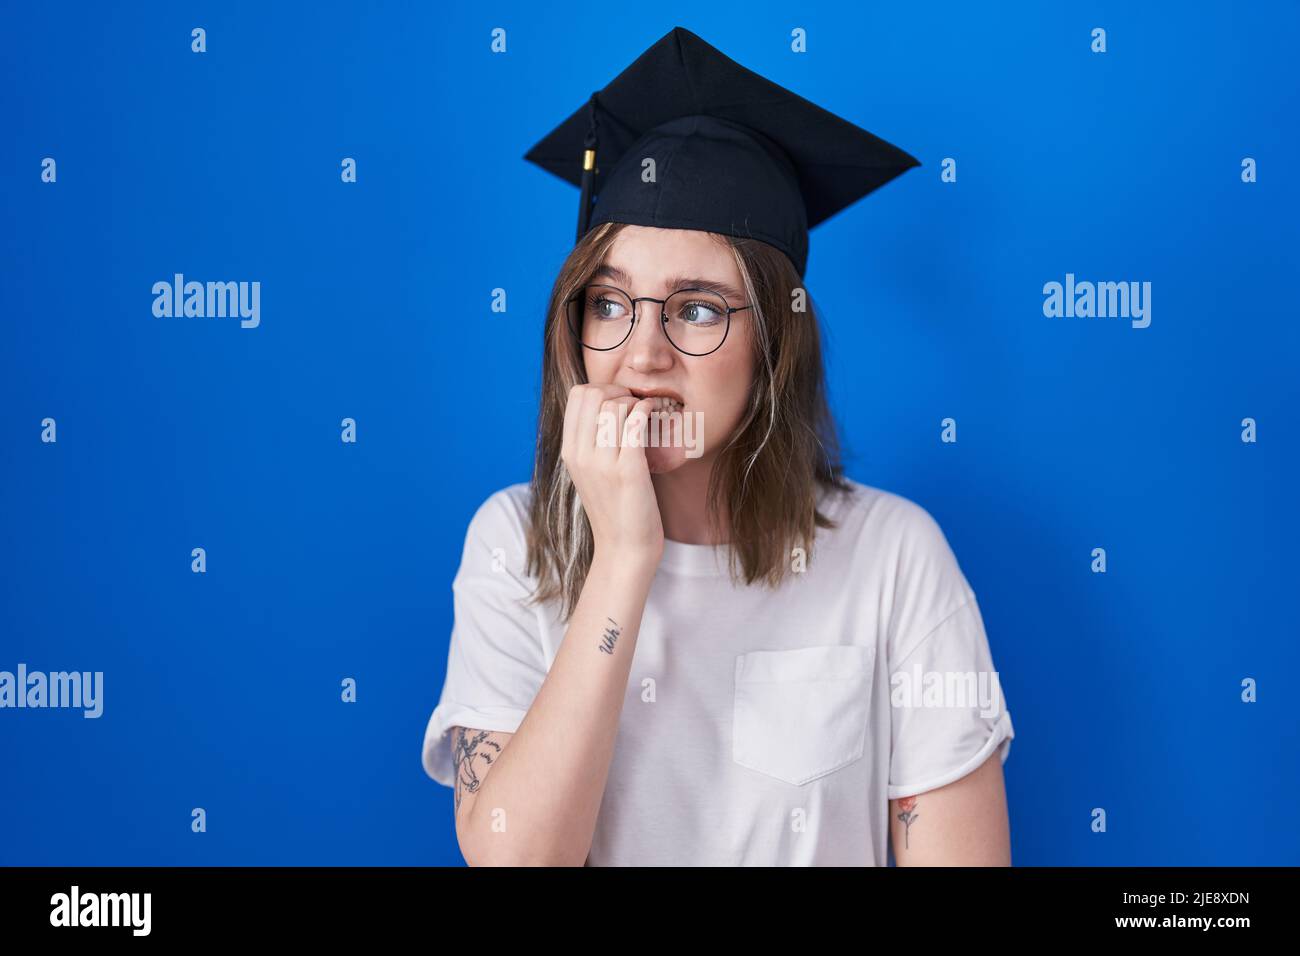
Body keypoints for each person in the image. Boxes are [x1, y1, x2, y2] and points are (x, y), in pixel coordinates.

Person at [421, 26, 1014, 866]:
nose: (641, 355)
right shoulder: (513, 548)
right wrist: (626, 556)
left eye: (697, 309)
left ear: (776, 343)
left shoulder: (893, 559)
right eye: (611, 303)